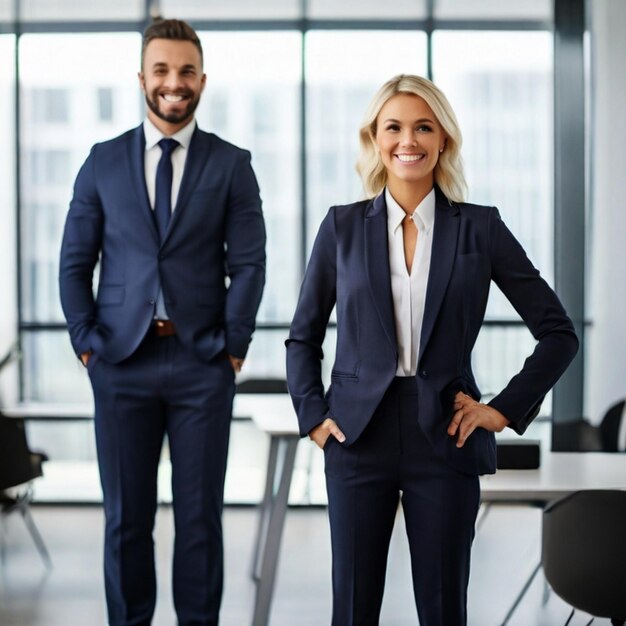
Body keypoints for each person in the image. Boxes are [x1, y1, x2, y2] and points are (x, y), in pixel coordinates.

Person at [286, 74, 578, 626]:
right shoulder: (342, 227)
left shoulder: (481, 229)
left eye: (424, 127)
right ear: (375, 138)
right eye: (393, 127)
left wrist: (502, 409)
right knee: (351, 607)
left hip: (446, 433)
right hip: (355, 435)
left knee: (444, 609)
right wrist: (315, 419)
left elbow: (558, 332)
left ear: (443, 139)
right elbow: (304, 335)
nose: (408, 140)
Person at [59, 19, 266, 626]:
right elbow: (75, 265)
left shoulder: (232, 165)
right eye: (162, 70)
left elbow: (250, 265)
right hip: (120, 364)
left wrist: (233, 348)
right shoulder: (101, 163)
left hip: (203, 365)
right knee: (126, 519)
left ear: (202, 79)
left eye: (185, 71)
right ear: (142, 78)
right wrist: (86, 347)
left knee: (200, 517)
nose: (173, 83)